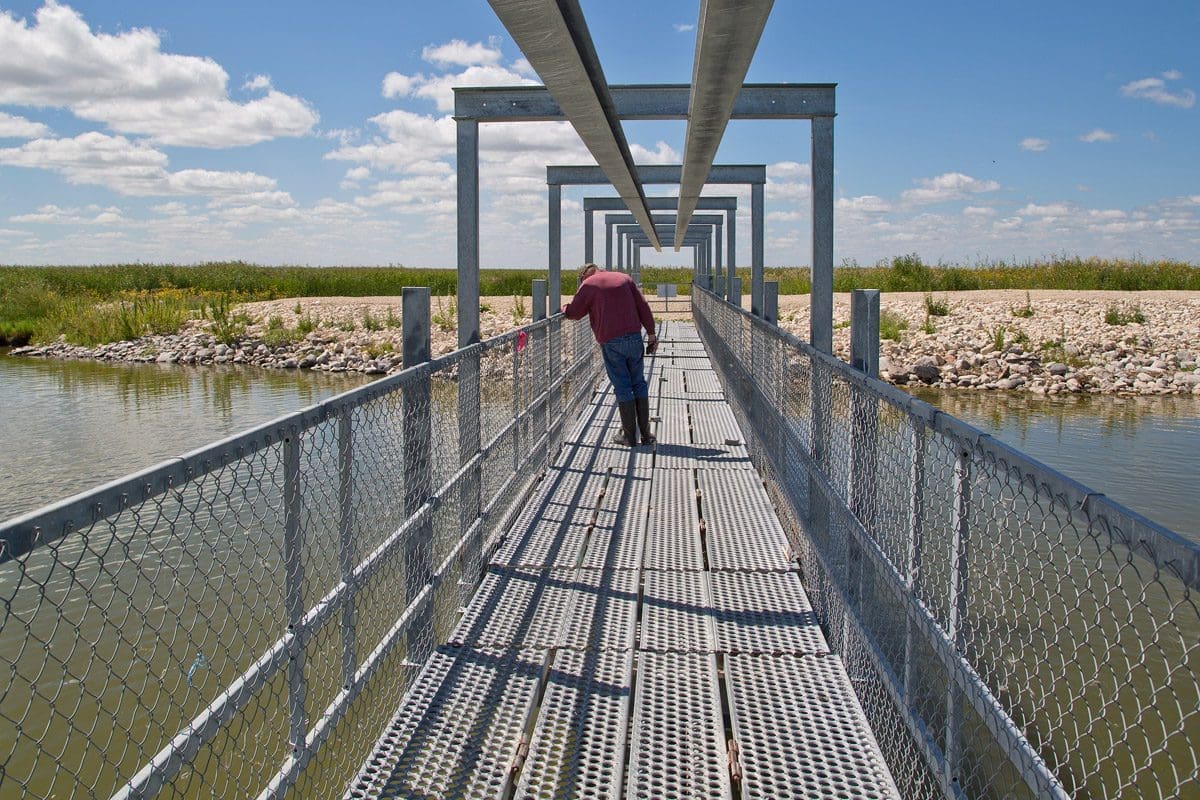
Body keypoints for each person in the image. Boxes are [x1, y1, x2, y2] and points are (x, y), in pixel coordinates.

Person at [562, 263, 658, 446]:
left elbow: (575, 313)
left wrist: (564, 308)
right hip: (634, 337)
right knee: (638, 382)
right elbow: (643, 306)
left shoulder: (589, 284)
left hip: (611, 341)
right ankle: (646, 435)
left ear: (584, 275)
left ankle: (629, 436)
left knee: (623, 386)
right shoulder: (624, 278)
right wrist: (652, 334)